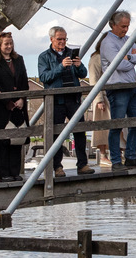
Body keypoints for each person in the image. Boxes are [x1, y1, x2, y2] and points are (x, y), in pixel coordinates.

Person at [37, 26, 96, 177]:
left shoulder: (71, 53)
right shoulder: (44, 57)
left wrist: (79, 65)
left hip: (73, 98)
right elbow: (44, 77)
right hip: (56, 101)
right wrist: (60, 67)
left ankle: (82, 165)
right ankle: (57, 167)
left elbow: (83, 74)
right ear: (51, 39)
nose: (63, 42)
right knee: (56, 134)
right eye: (59, 39)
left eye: (65, 39)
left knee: (80, 133)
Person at [99, 11, 136, 170]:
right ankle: (115, 160)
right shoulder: (108, 43)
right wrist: (131, 58)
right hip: (117, 87)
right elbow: (119, 65)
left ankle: (131, 156)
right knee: (117, 124)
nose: (126, 29)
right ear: (113, 25)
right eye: (123, 26)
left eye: (127, 26)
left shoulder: (128, 40)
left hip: (130, 85)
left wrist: (129, 58)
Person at [0, 31, 32, 182]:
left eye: (11, 43)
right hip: (2, 106)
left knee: (16, 140)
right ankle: (3, 173)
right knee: (2, 141)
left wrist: (21, 99)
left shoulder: (19, 60)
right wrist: (8, 102)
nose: (9, 46)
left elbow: (24, 81)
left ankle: (15, 171)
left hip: (18, 105)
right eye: (6, 44)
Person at [85, 43, 113, 168]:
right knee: (102, 127)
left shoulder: (111, 56)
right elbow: (94, 79)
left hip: (113, 95)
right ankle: (103, 155)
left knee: (117, 127)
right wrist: (99, 99)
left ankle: (116, 154)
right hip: (102, 96)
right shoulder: (96, 58)